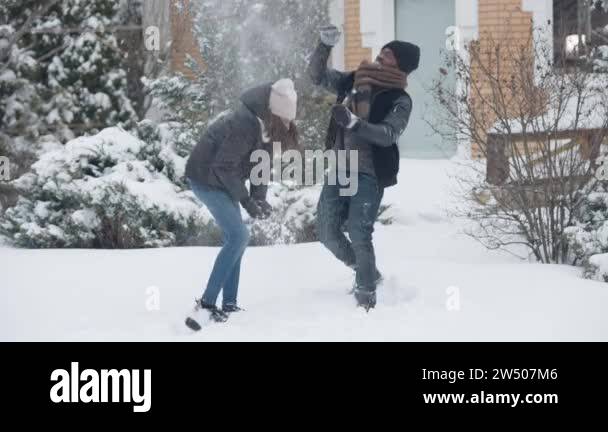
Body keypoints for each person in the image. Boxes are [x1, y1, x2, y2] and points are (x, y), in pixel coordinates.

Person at [308, 25, 420, 310]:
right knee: (326, 230)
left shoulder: (399, 99)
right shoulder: (354, 80)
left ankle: (365, 298)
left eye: (390, 54)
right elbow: (317, 76)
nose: (382, 55)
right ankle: (368, 272)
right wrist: (324, 46)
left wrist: (354, 123)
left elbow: (389, 134)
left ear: (402, 66)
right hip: (340, 168)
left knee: (359, 232)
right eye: (384, 50)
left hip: (369, 173)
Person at [184, 79, 299, 330]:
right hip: (205, 178)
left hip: (224, 180)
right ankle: (205, 305)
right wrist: (246, 201)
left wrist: (259, 199)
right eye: (284, 121)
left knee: (237, 238)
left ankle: (229, 305)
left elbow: (261, 167)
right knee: (238, 236)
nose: (286, 127)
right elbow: (222, 167)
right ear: (272, 114)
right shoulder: (243, 123)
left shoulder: (268, 128)